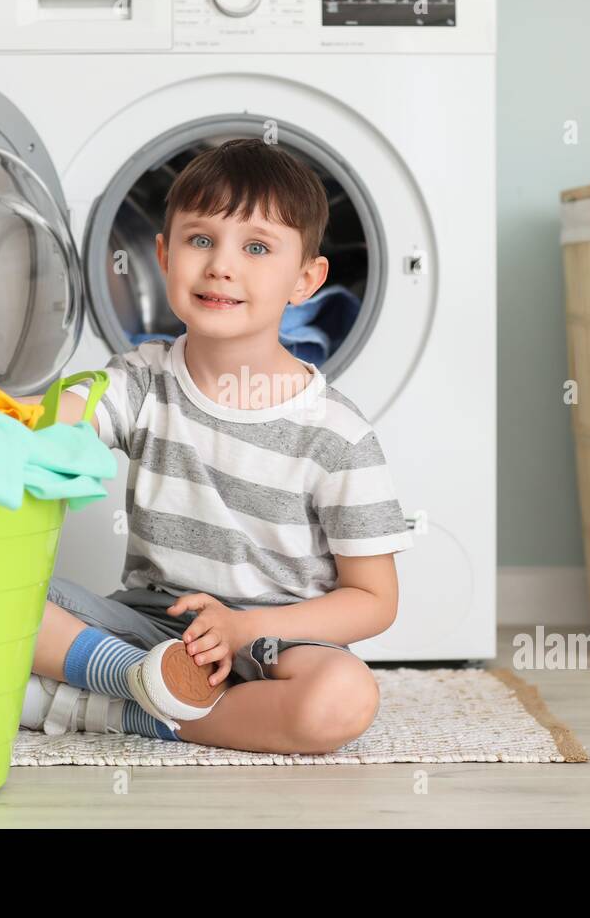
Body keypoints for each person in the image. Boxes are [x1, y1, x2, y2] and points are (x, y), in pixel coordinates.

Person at [20, 138, 414, 755]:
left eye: (256, 247)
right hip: (152, 626)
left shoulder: (338, 435)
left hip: (277, 641)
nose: (221, 265)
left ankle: (118, 711)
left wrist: (247, 627)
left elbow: (374, 599)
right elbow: (53, 423)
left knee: (343, 697)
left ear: (306, 280)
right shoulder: (142, 380)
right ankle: (133, 682)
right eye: (200, 239)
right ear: (164, 254)